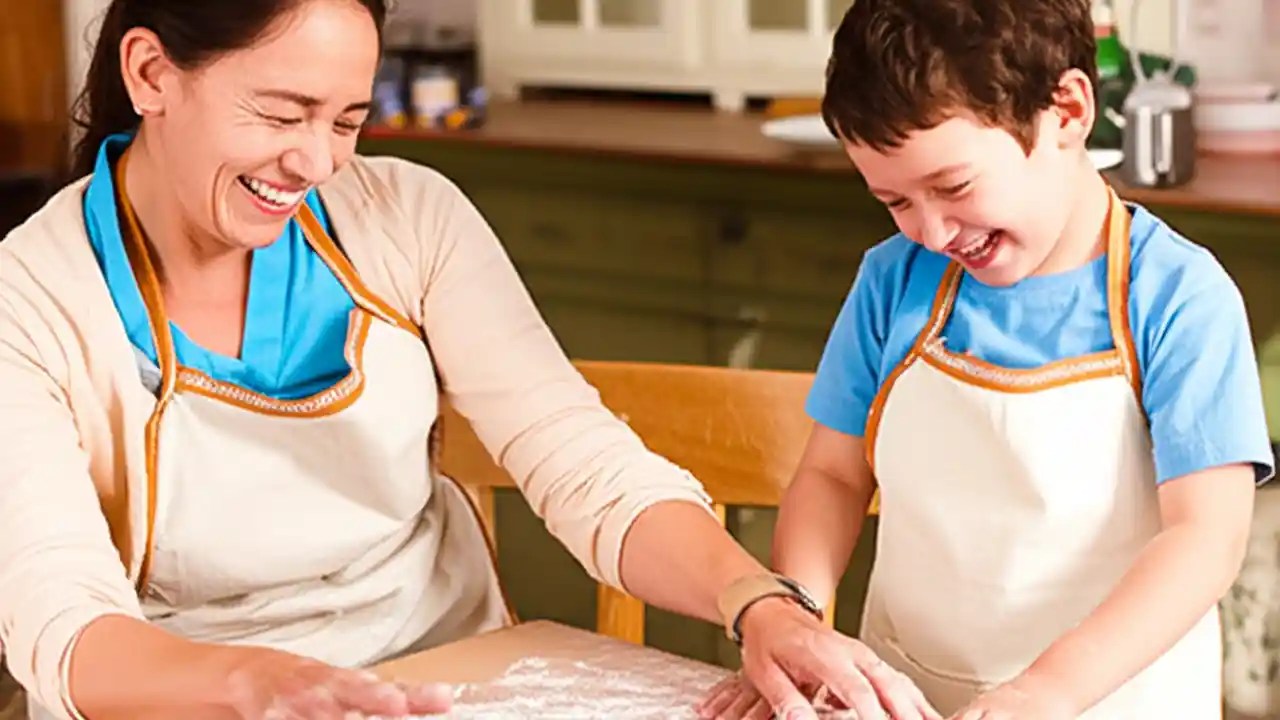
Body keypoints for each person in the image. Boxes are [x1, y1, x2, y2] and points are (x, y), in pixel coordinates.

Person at [0, 1, 940, 719]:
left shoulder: (407, 216)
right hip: (195, 699)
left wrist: (758, 606)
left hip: (460, 683)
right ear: (151, 72)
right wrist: (260, 688)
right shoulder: (32, 299)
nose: (319, 163)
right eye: (283, 113)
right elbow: (64, 625)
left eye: (346, 120)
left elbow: (583, 464)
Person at [698, 0, 1274, 718]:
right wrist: (799, 625)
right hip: (912, 695)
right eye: (894, 201)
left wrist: (1044, 692)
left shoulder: (1177, 298)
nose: (932, 232)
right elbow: (832, 475)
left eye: (954, 187)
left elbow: (1205, 540)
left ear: (1065, 111)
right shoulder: (894, 282)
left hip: (1107, 702)